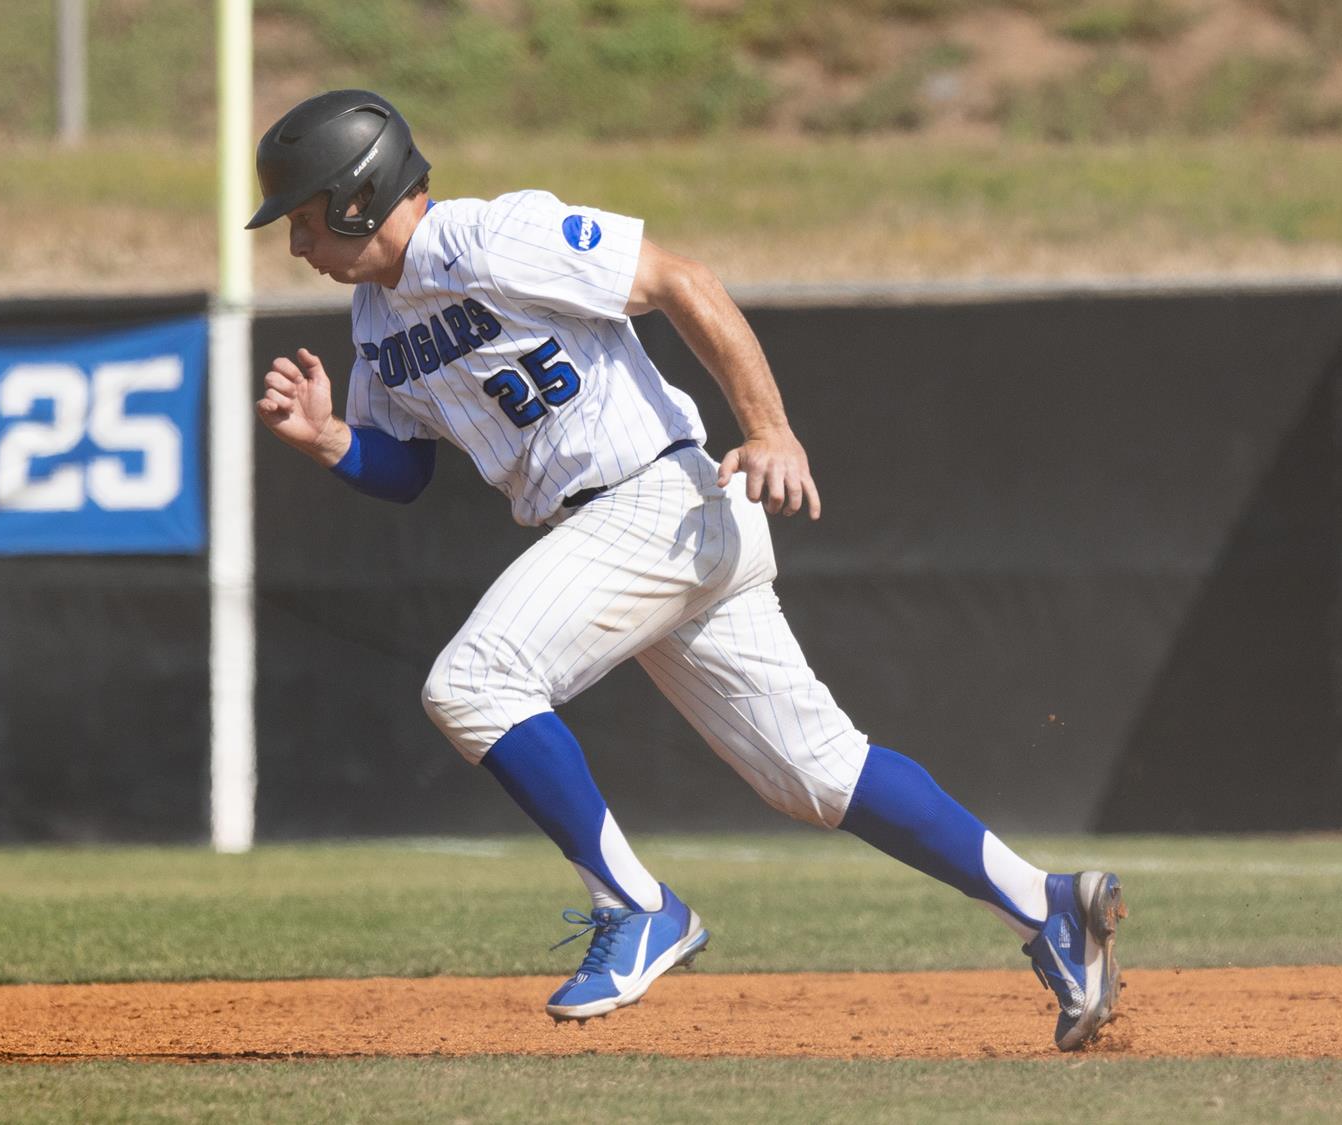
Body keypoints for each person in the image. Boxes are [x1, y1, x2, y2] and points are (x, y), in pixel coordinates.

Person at [247, 89, 1126, 1050]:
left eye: (300, 216)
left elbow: (679, 278)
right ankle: (1045, 907)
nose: (295, 244)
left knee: (474, 682)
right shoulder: (376, 322)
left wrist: (771, 429)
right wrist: (334, 438)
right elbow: (408, 468)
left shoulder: (494, 236)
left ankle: (637, 906)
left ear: (357, 197)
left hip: (655, 498)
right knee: (817, 775)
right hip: (647, 531)